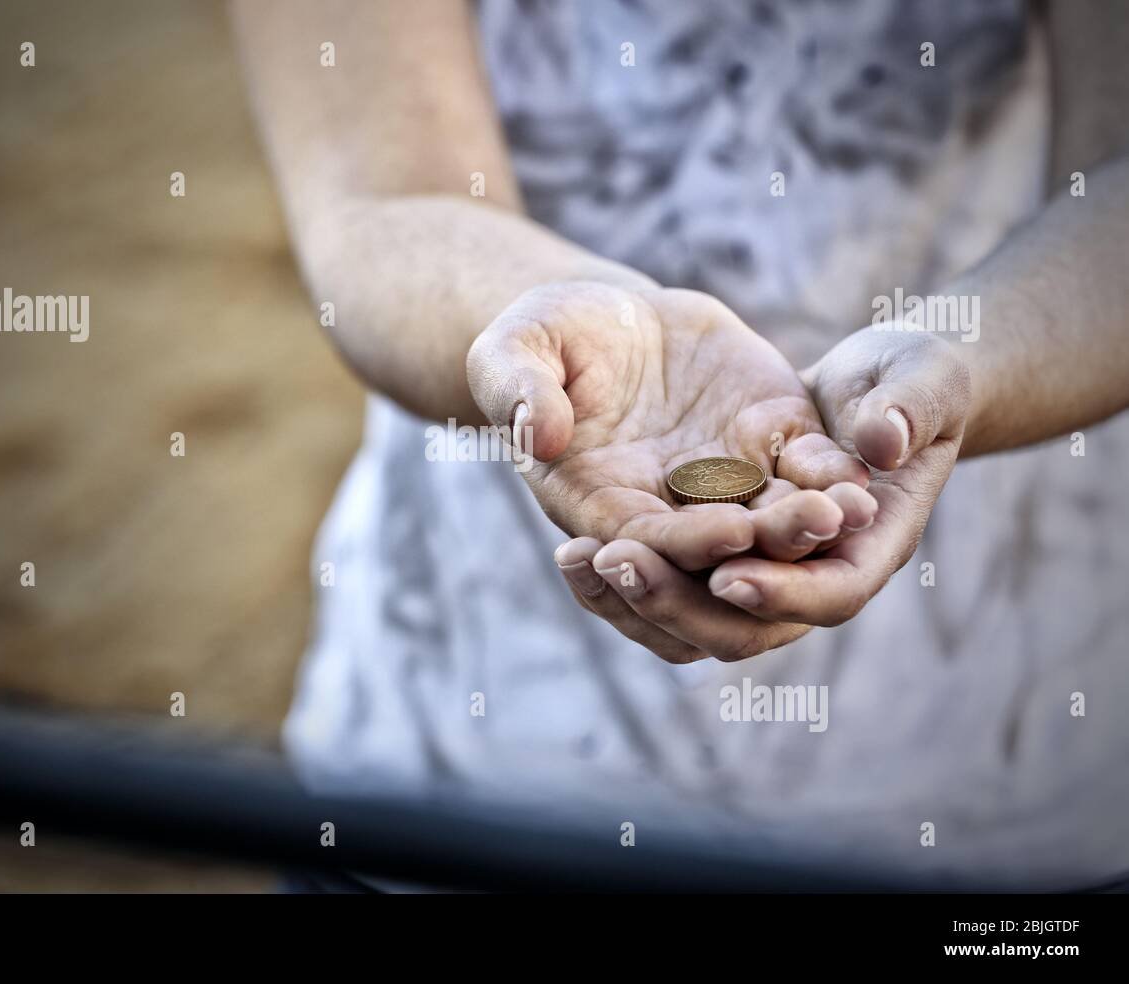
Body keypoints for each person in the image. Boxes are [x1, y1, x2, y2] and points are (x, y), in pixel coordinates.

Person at [234, 0, 1129, 885]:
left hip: (1008, 790)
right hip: (455, 773)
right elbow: (385, 206)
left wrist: (966, 367)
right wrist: (557, 326)